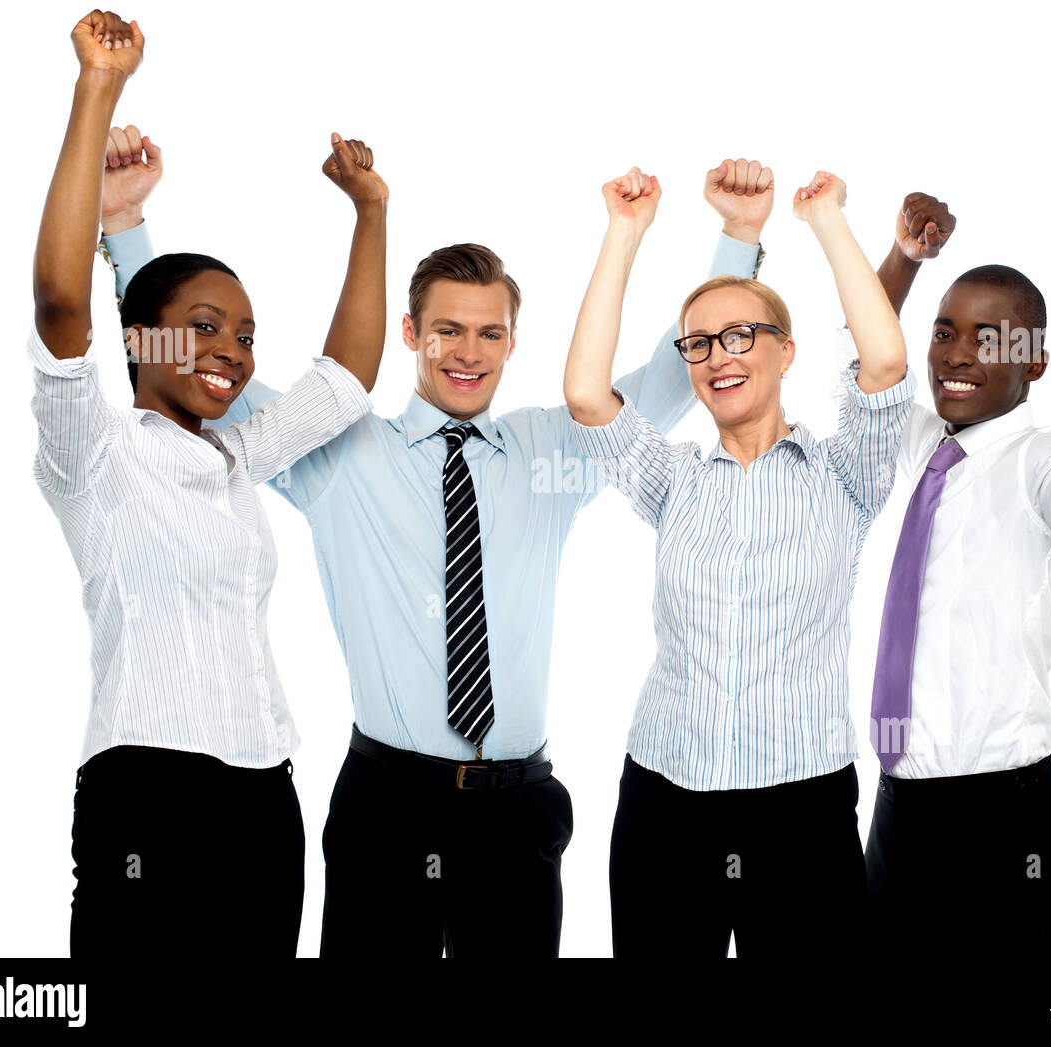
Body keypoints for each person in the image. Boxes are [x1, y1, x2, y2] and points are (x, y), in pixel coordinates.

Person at [98, 143, 775, 954]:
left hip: (518, 810)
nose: (468, 351)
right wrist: (126, 225)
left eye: (490, 333)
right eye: (448, 329)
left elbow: (664, 385)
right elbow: (206, 377)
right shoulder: (337, 453)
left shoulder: (548, 453)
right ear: (412, 331)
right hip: (388, 805)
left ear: (513, 343)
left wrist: (736, 235)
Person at [31, 10, 387, 957]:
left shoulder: (240, 461)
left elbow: (347, 380)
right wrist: (100, 88)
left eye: (243, 334)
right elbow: (64, 303)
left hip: (265, 794)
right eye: (203, 325)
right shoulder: (94, 452)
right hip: (145, 790)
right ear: (143, 340)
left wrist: (372, 212)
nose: (230, 352)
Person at [564, 170, 914, 957]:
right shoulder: (673, 479)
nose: (716, 357)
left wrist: (825, 220)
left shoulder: (844, 474)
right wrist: (625, 231)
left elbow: (884, 362)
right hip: (666, 803)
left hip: (802, 812)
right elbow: (588, 394)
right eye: (698, 343)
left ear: (786, 352)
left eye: (740, 336)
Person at [862, 191, 1051, 958]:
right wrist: (904, 258)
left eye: (990, 338)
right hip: (898, 811)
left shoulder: (1045, 463)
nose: (959, 353)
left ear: (1033, 358)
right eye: (944, 332)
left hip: (1002, 821)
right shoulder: (920, 443)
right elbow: (862, 362)